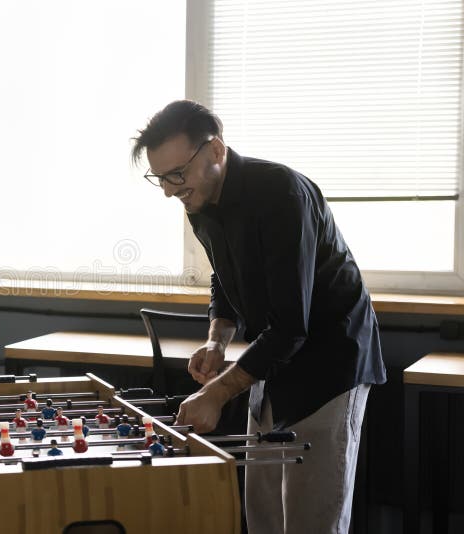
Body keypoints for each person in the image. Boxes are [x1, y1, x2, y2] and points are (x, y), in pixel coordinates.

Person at [132, 100, 386, 533]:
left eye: (177, 174)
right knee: (263, 514)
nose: (170, 191)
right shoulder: (200, 202)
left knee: (311, 521)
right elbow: (224, 277)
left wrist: (216, 394)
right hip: (273, 358)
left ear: (216, 150)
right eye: (160, 179)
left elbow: (291, 326)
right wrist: (216, 341)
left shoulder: (282, 195)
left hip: (329, 364)